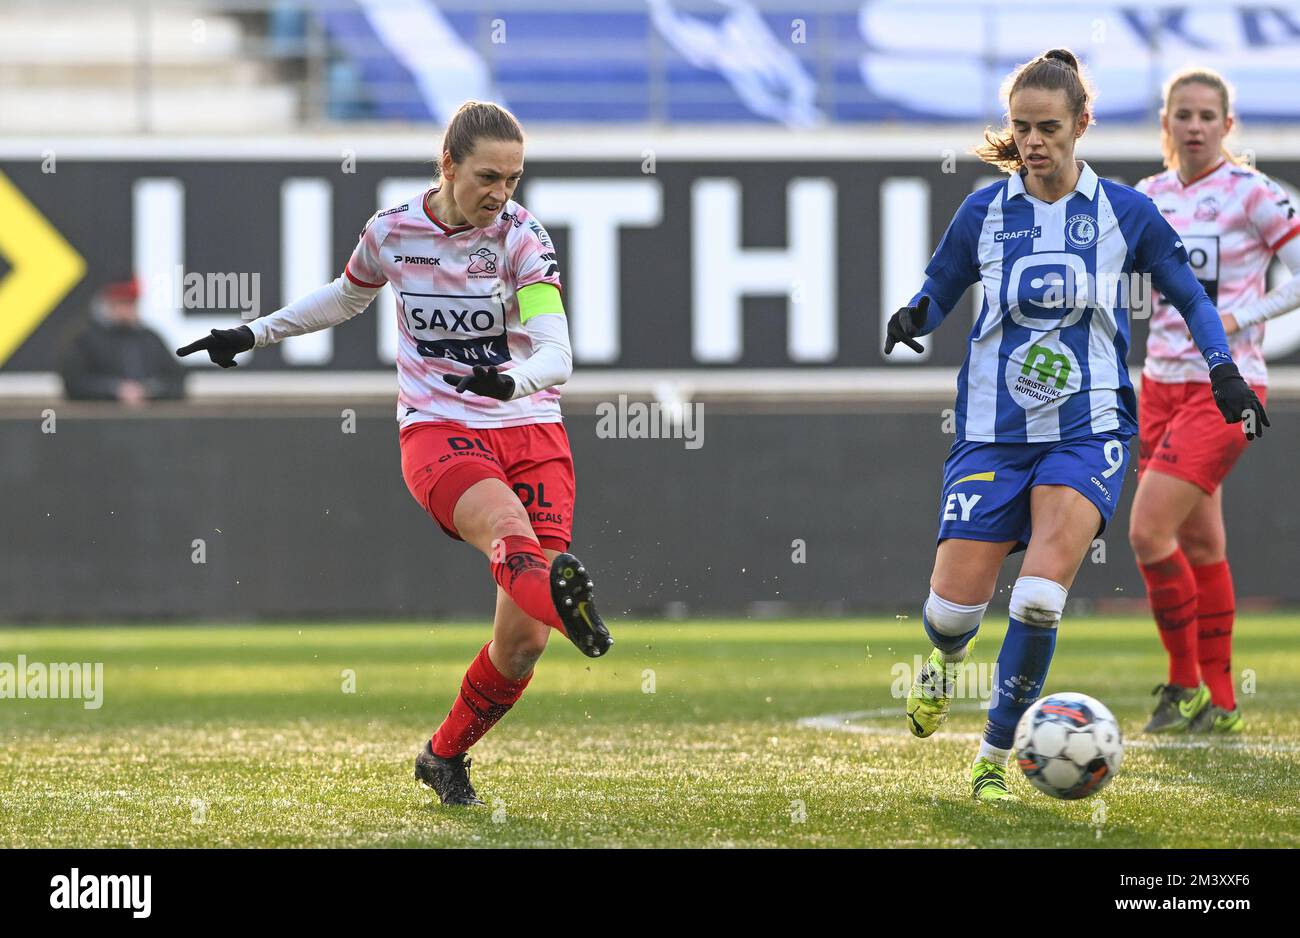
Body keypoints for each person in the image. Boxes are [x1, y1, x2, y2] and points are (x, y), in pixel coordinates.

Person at [176, 100, 612, 806]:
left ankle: (443, 754)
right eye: (488, 177)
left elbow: (557, 355)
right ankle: (575, 612)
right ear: (447, 165)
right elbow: (348, 298)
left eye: (514, 179)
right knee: (510, 535)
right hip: (441, 431)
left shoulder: (522, 237)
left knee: (523, 643)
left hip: (530, 427)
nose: (502, 194)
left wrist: (511, 379)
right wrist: (253, 334)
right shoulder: (392, 231)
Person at [884, 49, 1266, 802]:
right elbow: (941, 285)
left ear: (1081, 125)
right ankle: (943, 659)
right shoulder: (985, 212)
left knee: (1036, 599)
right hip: (993, 432)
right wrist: (914, 316)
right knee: (950, 611)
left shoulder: (1125, 212)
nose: (1033, 142)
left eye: (1049, 127)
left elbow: (1189, 295)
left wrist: (1221, 366)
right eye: (1022, 128)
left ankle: (993, 759)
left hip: (1088, 429)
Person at [1129, 68, 1300, 735]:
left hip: (1226, 387)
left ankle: (1185, 684)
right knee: (1199, 543)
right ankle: (1221, 702)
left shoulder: (1252, 193)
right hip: (1158, 386)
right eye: (1183, 115)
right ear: (1166, 124)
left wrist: (1240, 318)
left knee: (1147, 532)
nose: (1195, 126)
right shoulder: (1147, 196)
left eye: (1207, 115)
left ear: (1228, 126)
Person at [59, 278, 186, 405]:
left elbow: (177, 381)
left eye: (131, 303)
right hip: (101, 419)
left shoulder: (150, 339)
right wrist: (114, 390)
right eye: (121, 303)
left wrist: (148, 390)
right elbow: (75, 384)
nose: (126, 310)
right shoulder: (86, 340)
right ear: (107, 304)